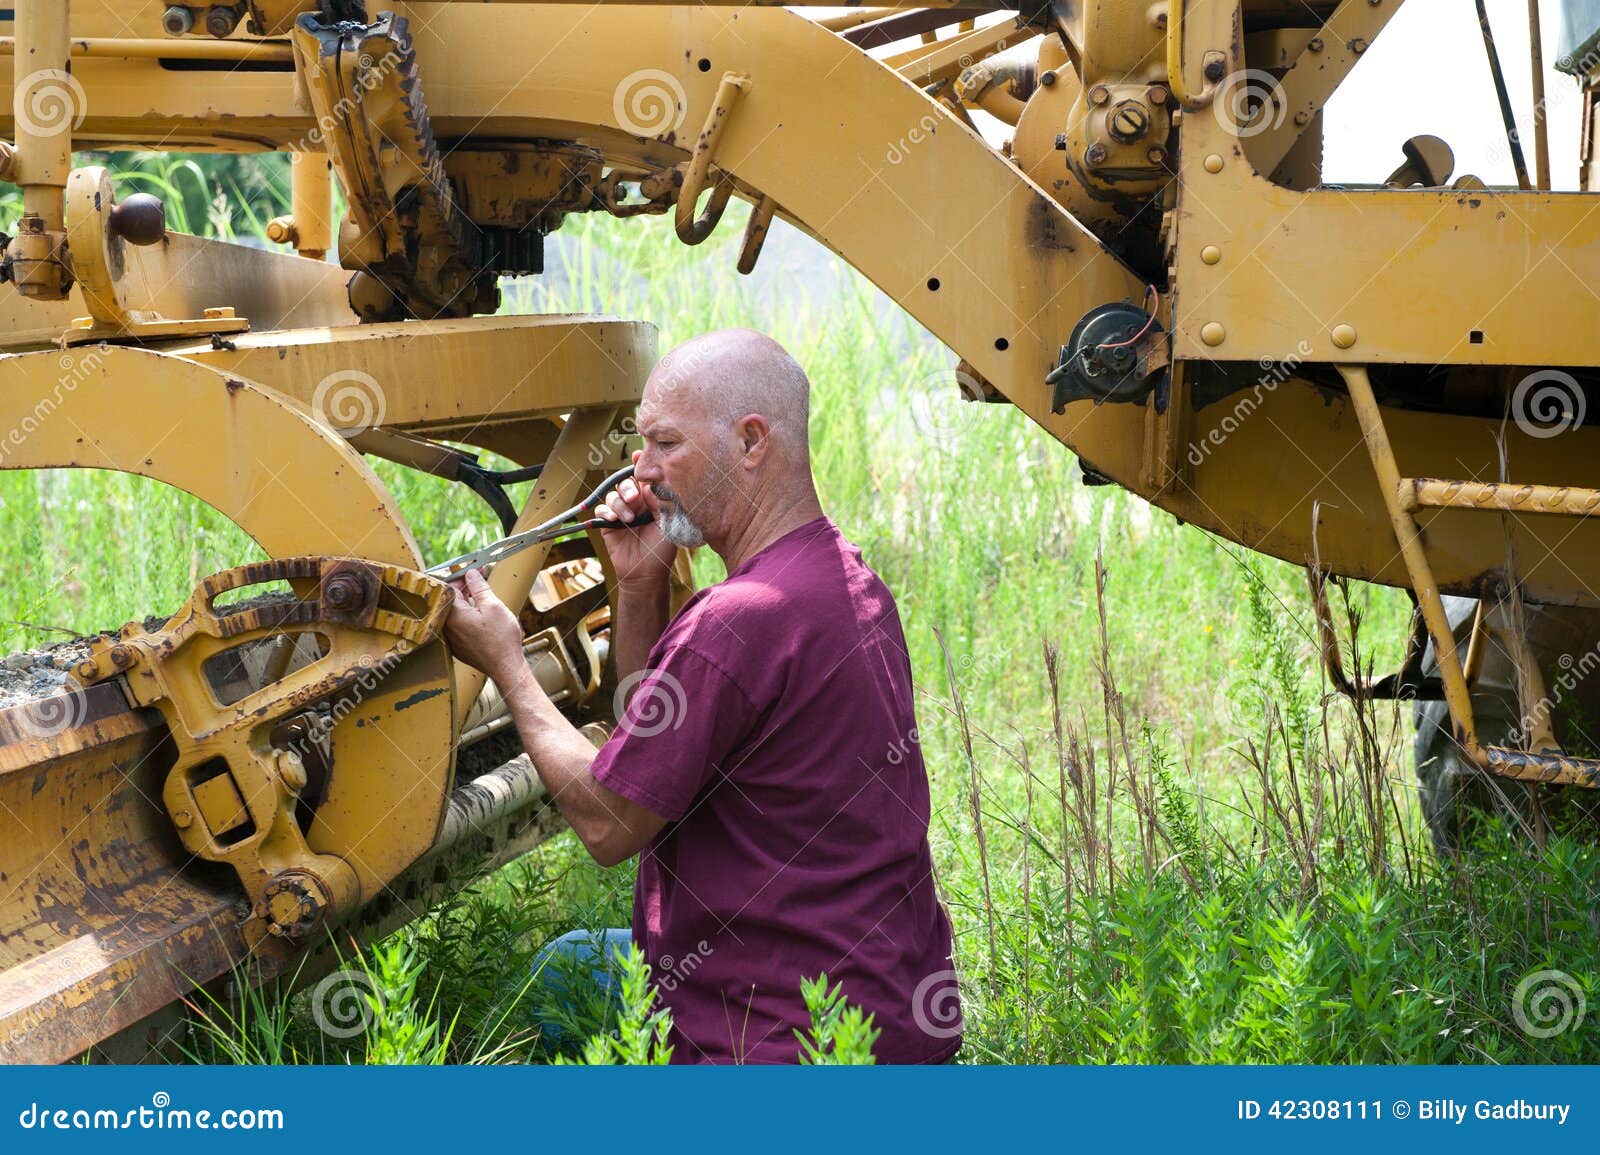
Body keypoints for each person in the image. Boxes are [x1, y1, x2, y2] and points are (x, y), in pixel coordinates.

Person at [444, 328, 960, 1063]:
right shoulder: (843, 580)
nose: (642, 471)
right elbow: (650, 739)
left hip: (782, 1039)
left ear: (752, 441)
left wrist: (507, 665)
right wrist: (639, 583)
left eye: (665, 444)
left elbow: (610, 825)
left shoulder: (739, 620)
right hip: (887, 1013)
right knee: (570, 965)